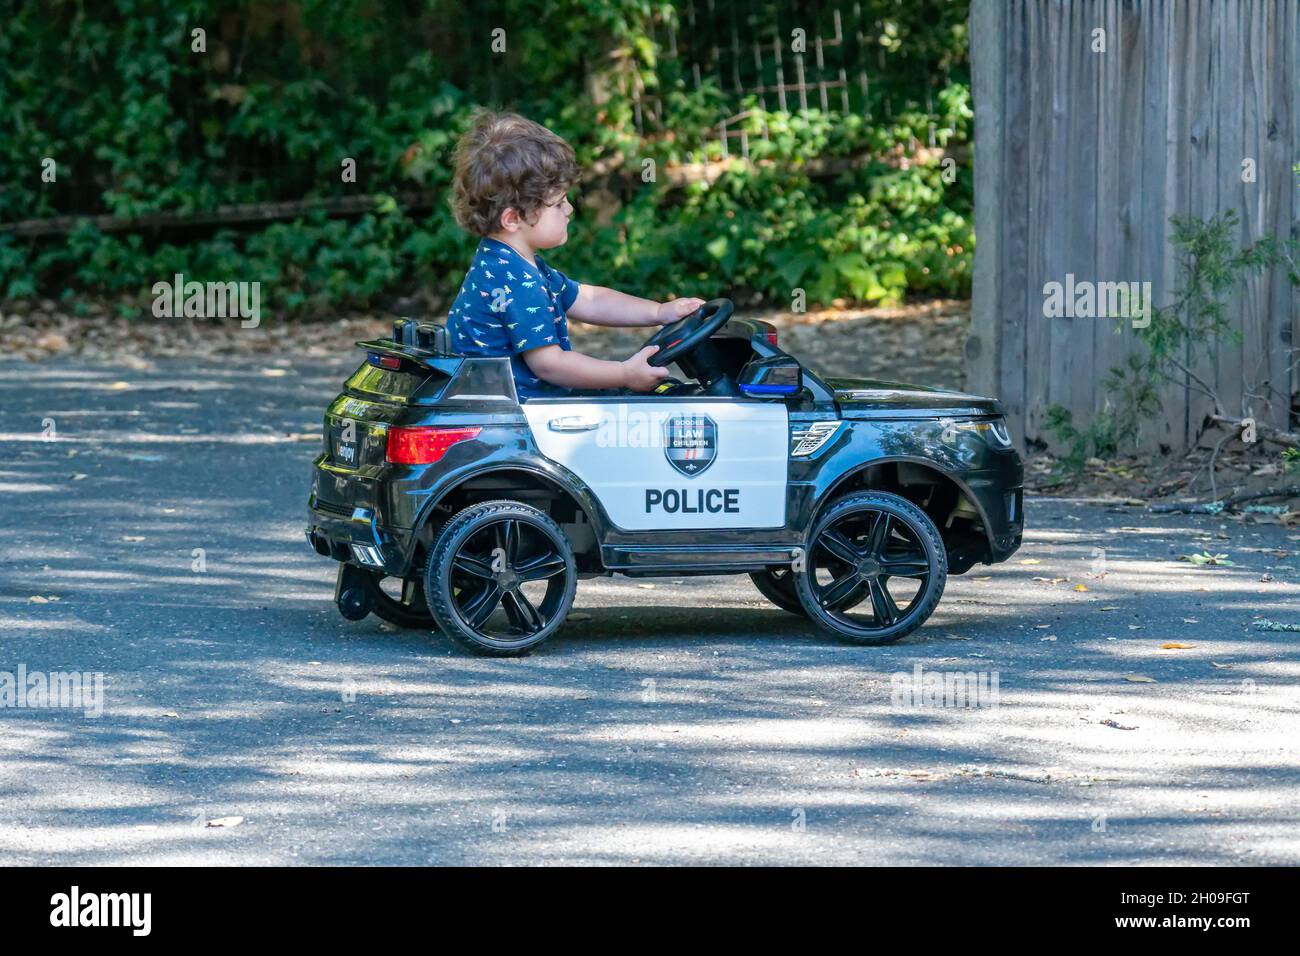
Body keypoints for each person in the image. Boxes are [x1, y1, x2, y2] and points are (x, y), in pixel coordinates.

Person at [446, 110, 706, 399]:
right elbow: (550, 365)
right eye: (558, 204)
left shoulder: (506, 261)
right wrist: (624, 374)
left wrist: (658, 312)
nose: (569, 210)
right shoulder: (515, 282)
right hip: (526, 417)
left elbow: (588, 300)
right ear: (512, 219)